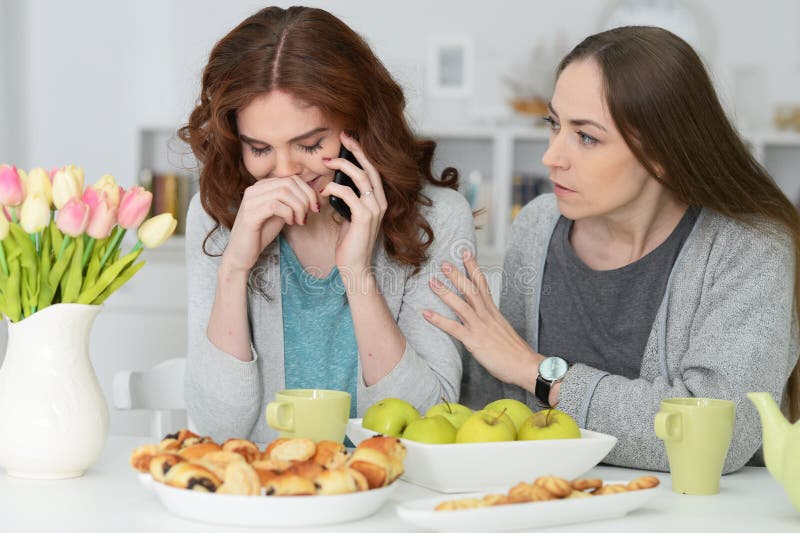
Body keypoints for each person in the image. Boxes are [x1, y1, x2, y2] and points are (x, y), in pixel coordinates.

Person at [424, 26, 800, 473]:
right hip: (551, 504)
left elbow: (719, 434)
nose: (551, 156)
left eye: (586, 137)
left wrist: (537, 372)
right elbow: (499, 416)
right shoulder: (538, 226)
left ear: (662, 152)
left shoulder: (750, 249)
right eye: (554, 125)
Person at [179, 6, 475, 443]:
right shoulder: (218, 218)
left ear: (356, 122)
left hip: (393, 494)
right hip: (271, 496)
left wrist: (357, 274)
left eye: (310, 143)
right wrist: (234, 268)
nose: (285, 172)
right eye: (260, 148)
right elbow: (218, 428)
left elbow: (423, 424)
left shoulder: (439, 220)